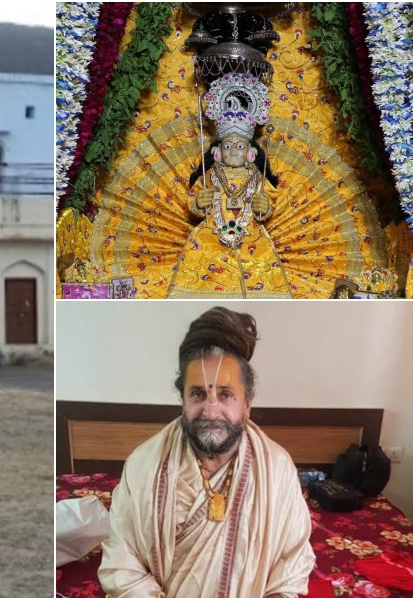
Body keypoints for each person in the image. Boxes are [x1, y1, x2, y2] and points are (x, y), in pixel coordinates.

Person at [98, 306, 315, 597]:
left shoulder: (277, 471)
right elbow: (121, 564)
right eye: (198, 394)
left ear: (247, 404)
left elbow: (293, 564)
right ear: (183, 400)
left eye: (225, 395)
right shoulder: (143, 466)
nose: (211, 410)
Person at [168, 74, 291, 298]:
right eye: (228, 145)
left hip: (252, 238)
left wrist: (265, 208)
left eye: (241, 146)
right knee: (204, 259)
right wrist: (197, 203)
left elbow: (271, 203)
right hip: (209, 237)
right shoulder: (209, 176)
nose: (234, 150)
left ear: (252, 153)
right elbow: (193, 203)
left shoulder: (258, 178)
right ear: (217, 151)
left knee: (259, 264)